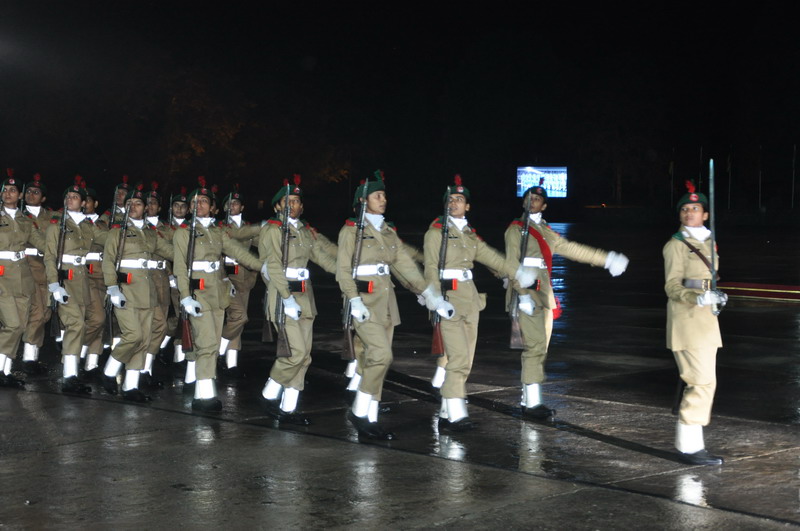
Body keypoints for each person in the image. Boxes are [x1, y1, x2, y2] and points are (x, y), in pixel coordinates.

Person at [336, 170, 453, 440]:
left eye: (384, 195)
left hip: (386, 304)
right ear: (363, 201)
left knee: (377, 360)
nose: (383, 199)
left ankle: (371, 418)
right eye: (377, 195)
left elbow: (406, 268)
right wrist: (353, 299)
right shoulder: (350, 231)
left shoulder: (388, 232)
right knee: (381, 355)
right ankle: (359, 410)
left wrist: (432, 296)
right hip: (363, 303)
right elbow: (343, 271)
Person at [505, 181, 629, 419]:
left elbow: (573, 249)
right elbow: (511, 264)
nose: (532, 201)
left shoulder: (546, 231)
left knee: (540, 348)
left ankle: (528, 398)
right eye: (529, 198)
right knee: (534, 348)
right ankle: (532, 404)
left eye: (537, 199)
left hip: (544, 296)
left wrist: (607, 259)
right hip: (527, 295)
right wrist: (522, 295)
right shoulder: (515, 230)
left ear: (544, 206)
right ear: (523, 202)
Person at [424, 175, 523, 431]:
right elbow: (431, 268)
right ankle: (456, 415)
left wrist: (517, 273)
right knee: (457, 358)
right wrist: (435, 299)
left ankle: (446, 412)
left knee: (466, 360)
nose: (454, 203)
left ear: (467, 206)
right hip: (448, 298)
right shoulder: (436, 233)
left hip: (470, 299)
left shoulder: (470, 235)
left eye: (459, 200)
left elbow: (493, 258)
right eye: (451, 200)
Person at [172, 177, 263, 412]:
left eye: (203, 201)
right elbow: (180, 267)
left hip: (217, 293)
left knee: (211, 343)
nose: (198, 205)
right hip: (198, 292)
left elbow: (238, 252)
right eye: (195, 202)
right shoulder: (184, 233)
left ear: (213, 207)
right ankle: (204, 395)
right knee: (206, 343)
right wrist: (185, 296)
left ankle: (199, 386)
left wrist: (262, 267)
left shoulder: (217, 232)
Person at [259, 175, 337, 425]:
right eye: (287, 201)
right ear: (277, 206)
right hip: (283, 297)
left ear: (301, 206)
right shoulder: (272, 230)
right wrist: (286, 298)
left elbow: (322, 258)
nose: (291, 205)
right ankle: (269, 393)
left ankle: (288, 407)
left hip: (305, 297)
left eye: (296, 201)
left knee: (304, 356)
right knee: (296, 352)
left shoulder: (304, 231)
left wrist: (347, 272)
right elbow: (273, 265)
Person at [663, 180, 726, 466]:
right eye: (685, 209)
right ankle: (688, 448)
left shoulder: (709, 242)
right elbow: (672, 286)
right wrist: (696, 297)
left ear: (705, 214)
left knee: (707, 381)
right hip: (686, 319)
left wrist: (715, 295)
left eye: (695, 209)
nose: (689, 213)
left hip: (707, 321)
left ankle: (693, 444)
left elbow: (708, 279)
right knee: (698, 380)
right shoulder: (676, 245)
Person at [100, 184, 174, 402]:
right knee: (134, 335)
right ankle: (109, 371)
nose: (132, 207)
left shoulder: (151, 234)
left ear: (145, 208)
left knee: (144, 339)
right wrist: (112, 287)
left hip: (148, 292)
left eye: (138, 204)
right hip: (126, 291)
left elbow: (170, 252)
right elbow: (108, 260)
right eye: (129, 203)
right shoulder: (118, 231)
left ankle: (131, 386)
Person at [44, 177, 105, 395]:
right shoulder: (57, 225)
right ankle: (69, 377)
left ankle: (72, 360)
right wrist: (54, 285)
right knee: (76, 324)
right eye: (68, 197)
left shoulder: (88, 226)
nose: (70, 199)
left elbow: (109, 239)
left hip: (82, 281)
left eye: (75, 197)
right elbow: (50, 257)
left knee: (95, 320)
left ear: (84, 202)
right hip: (65, 280)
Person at [0, 170, 44, 387]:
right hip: (2, 276)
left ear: (19, 195)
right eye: (5, 190)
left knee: (19, 326)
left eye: (12, 190)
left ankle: (5, 371)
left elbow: (42, 243)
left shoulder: (25, 220)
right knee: (13, 324)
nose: (8, 193)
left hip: (22, 277)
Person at [218, 185, 262, 377]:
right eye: (229, 203)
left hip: (243, 277)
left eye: (235, 203)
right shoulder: (218, 227)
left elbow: (264, 245)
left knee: (238, 321)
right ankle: (218, 352)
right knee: (234, 317)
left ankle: (231, 363)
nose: (232, 206)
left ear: (242, 207)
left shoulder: (248, 228)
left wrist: (255, 272)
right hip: (223, 276)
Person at [21, 173, 56, 370]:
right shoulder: (18, 215)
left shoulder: (51, 217)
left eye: (36, 192)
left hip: (44, 270)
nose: (31, 195)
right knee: (32, 314)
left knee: (43, 314)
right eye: (28, 191)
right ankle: (28, 359)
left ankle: (31, 355)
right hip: (23, 269)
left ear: (43, 198)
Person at [140, 181, 170, 388]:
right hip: (144, 279)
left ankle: (146, 368)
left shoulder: (166, 229)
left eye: (154, 203)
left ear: (159, 207)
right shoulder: (137, 227)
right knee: (148, 326)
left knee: (160, 326)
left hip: (161, 278)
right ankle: (140, 370)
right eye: (147, 203)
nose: (150, 206)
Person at [77, 181, 108, 377]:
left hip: (103, 276)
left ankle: (91, 364)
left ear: (95, 203)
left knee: (100, 321)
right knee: (96, 318)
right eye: (83, 200)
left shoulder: (104, 225)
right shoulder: (75, 224)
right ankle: (75, 352)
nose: (85, 204)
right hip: (84, 275)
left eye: (88, 200)